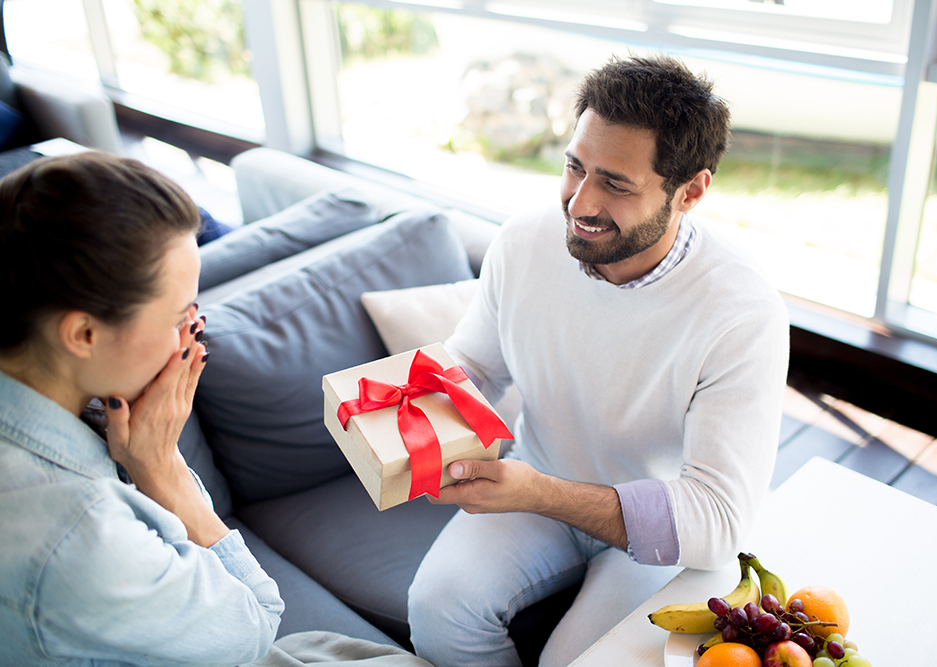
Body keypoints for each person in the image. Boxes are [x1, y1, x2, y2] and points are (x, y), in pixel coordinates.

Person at [407, 54, 790, 667]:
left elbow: (718, 521)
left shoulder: (743, 315)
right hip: (536, 487)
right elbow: (475, 365)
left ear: (689, 191)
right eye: (574, 167)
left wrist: (543, 491)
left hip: (667, 539)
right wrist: (407, 427)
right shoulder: (523, 241)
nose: (579, 202)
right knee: (436, 609)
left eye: (615, 183)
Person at [0, 152, 434, 667]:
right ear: (84, 334)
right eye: (179, 313)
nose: (191, 330)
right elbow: (252, 624)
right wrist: (163, 470)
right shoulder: (80, 534)